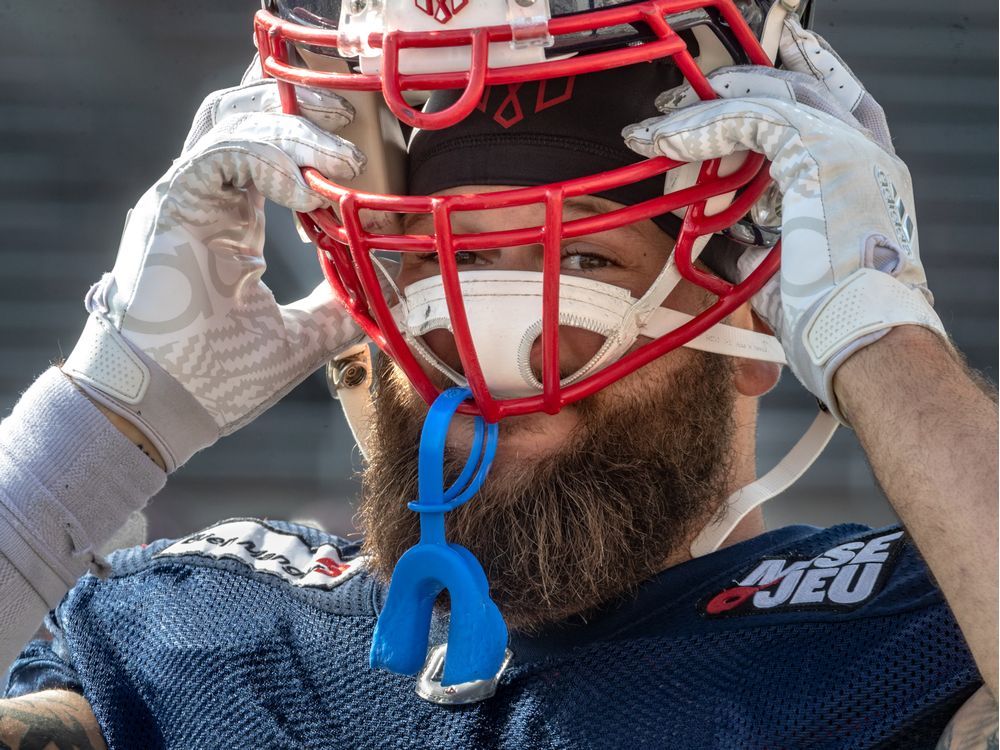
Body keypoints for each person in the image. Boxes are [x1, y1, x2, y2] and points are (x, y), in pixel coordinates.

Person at [0, 0, 996, 747]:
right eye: (457, 258)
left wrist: (877, 334)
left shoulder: (913, 636)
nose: (494, 345)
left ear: (752, 318)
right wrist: (108, 411)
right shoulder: (195, 634)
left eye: (588, 260)